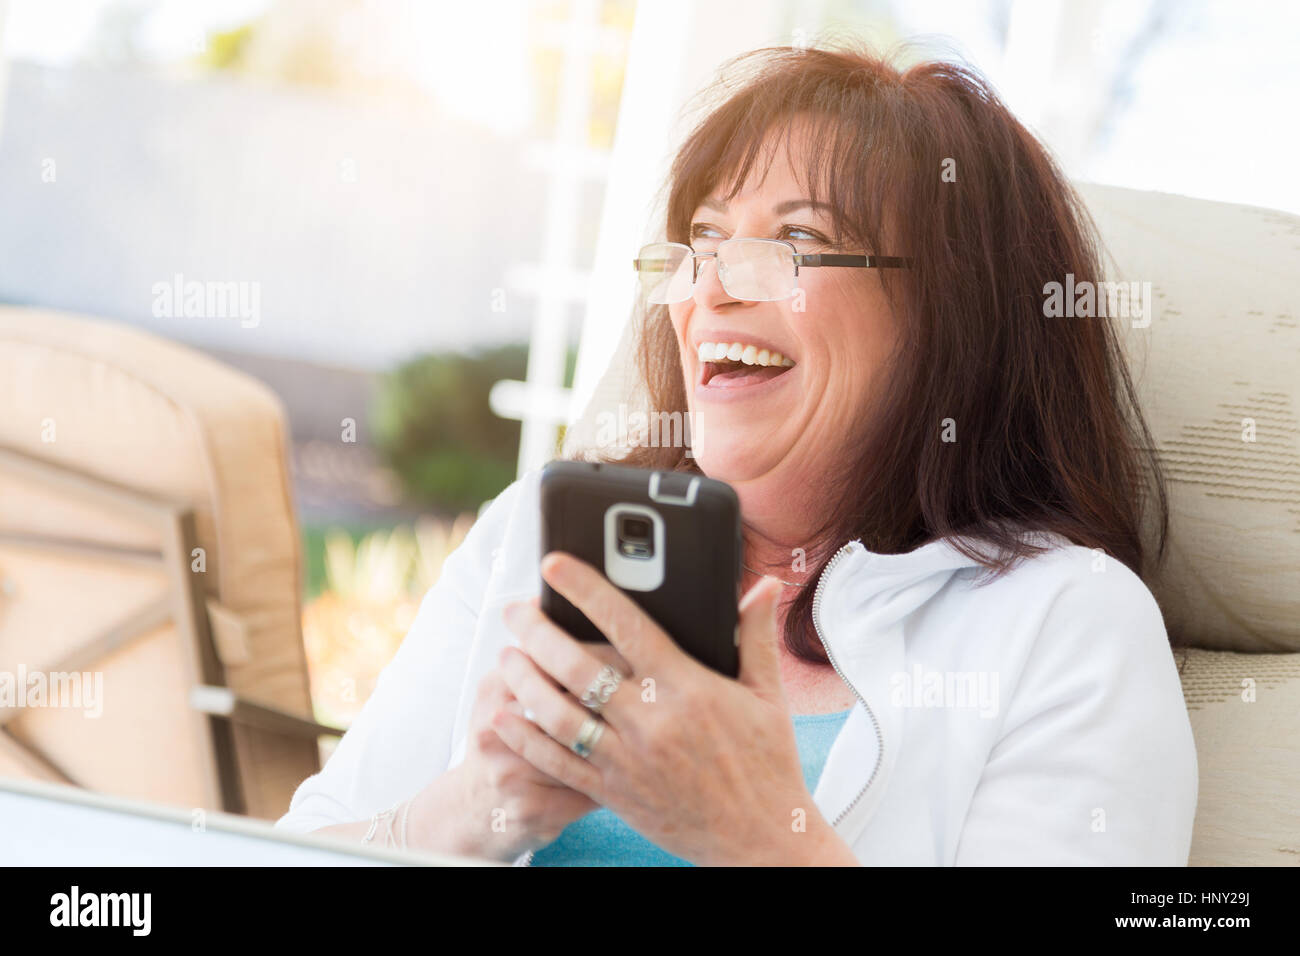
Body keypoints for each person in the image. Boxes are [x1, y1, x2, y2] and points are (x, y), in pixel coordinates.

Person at [276, 42, 1197, 866]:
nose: (711, 286)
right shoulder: (536, 537)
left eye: (799, 239)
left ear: (954, 318)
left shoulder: (1066, 624)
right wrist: (473, 809)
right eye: (704, 239)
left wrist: (755, 837)